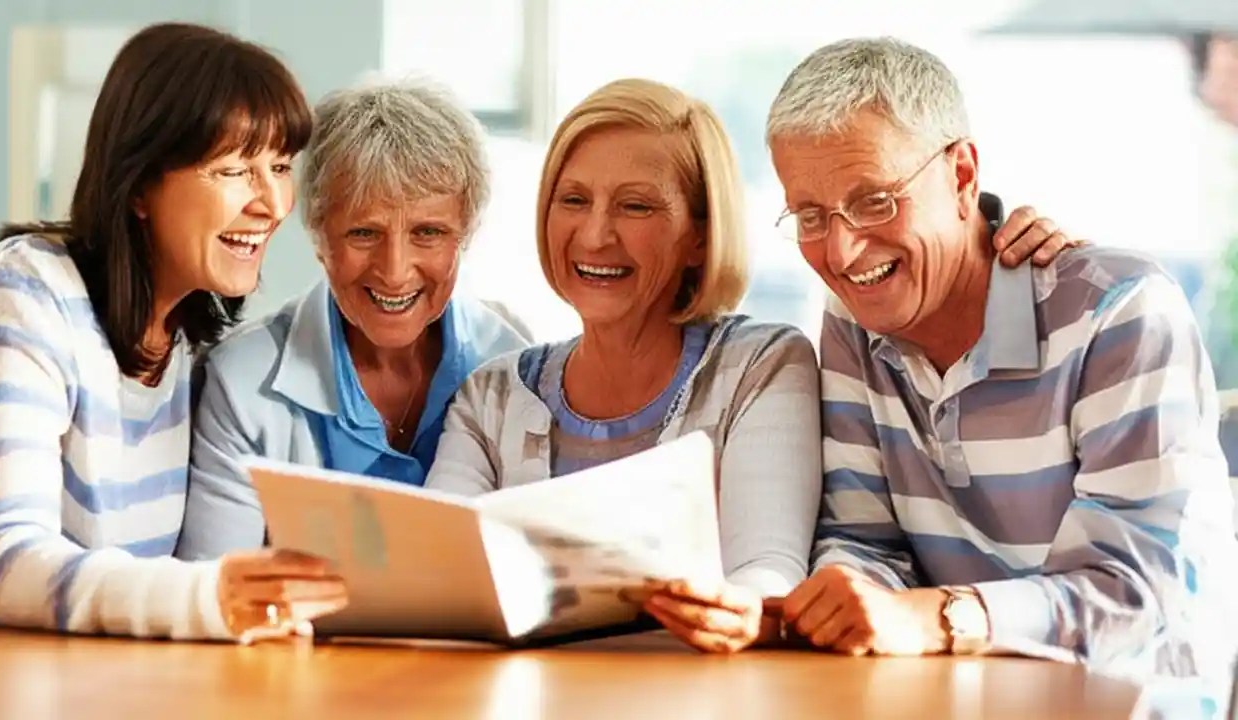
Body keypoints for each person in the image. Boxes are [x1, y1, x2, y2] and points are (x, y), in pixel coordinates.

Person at [426, 77, 1075, 654]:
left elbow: (770, 568)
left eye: (636, 206)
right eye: (573, 200)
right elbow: (430, 576)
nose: (596, 235)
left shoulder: (761, 364)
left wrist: (750, 610)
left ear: (701, 235)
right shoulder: (491, 396)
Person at [767, 37, 1237, 693]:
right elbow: (865, 539)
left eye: (875, 200)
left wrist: (942, 617)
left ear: (962, 175)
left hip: (1137, 700)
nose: (842, 251)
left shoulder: (1119, 312)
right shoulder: (855, 318)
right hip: (957, 691)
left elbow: (1136, 591)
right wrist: (841, 599)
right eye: (812, 215)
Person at [0, 23, 345, 640]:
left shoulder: (190, 342)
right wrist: (205, 595)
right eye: (233, 171)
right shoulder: (27, 291)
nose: (272, 203)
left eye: (279, 166)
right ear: (140, 185)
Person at [176, 78, 529, 560]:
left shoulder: (514, 364)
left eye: (428, 232)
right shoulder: (241, 380)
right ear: (319, 236)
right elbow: (215, 587)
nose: (395, 270)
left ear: (465, 235)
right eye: (363, 232)